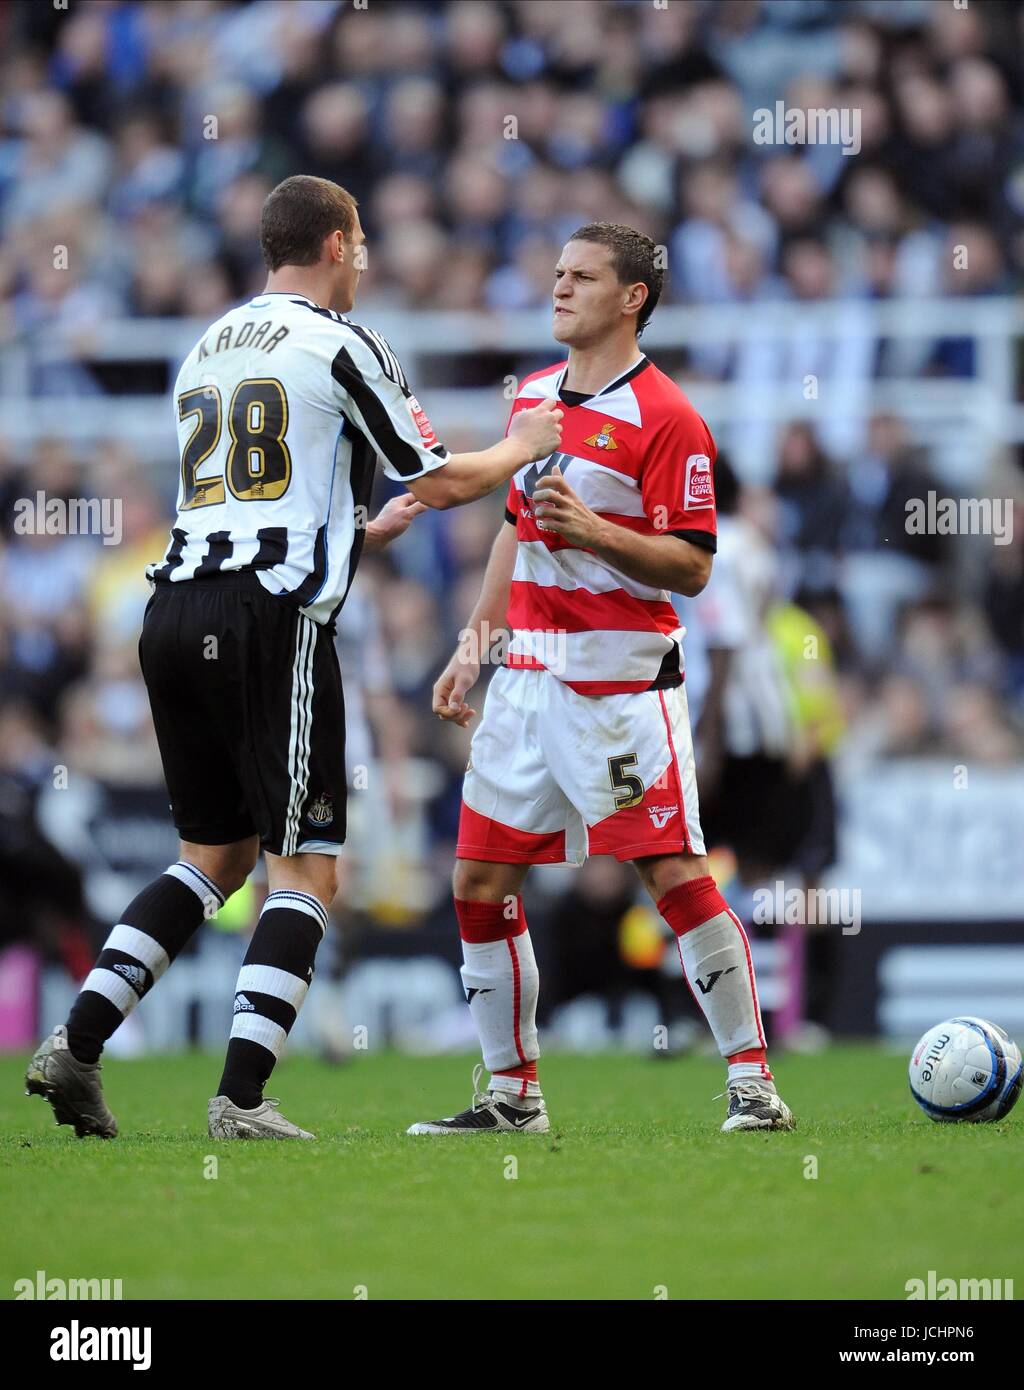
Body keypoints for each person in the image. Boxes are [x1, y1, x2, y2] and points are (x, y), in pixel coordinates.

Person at [25, 175, 562, 1140]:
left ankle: (76, 1042)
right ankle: (241, 1100)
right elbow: (442, 481)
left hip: (171, 609)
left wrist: (353, 535)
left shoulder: (204, 347)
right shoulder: (342, 340)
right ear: (336, 244)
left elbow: (250, 507)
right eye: (360, 242)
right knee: (307, 872)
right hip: (270, 622)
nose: (367, 260)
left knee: (212, 858)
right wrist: (522, 443)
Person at [409, 223, 794, 1135]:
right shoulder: (534, 399)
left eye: (582, 277)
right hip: (527, 682)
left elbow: (694, 566)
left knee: (674, 876)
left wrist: (598, 533)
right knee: (475, 882)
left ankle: (753, 1086)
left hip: (620, 687)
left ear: (633, 298)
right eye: (555, 273)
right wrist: (477, 641)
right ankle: (513, 1097)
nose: (559, 288)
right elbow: (512, 524)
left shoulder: (668, 416)